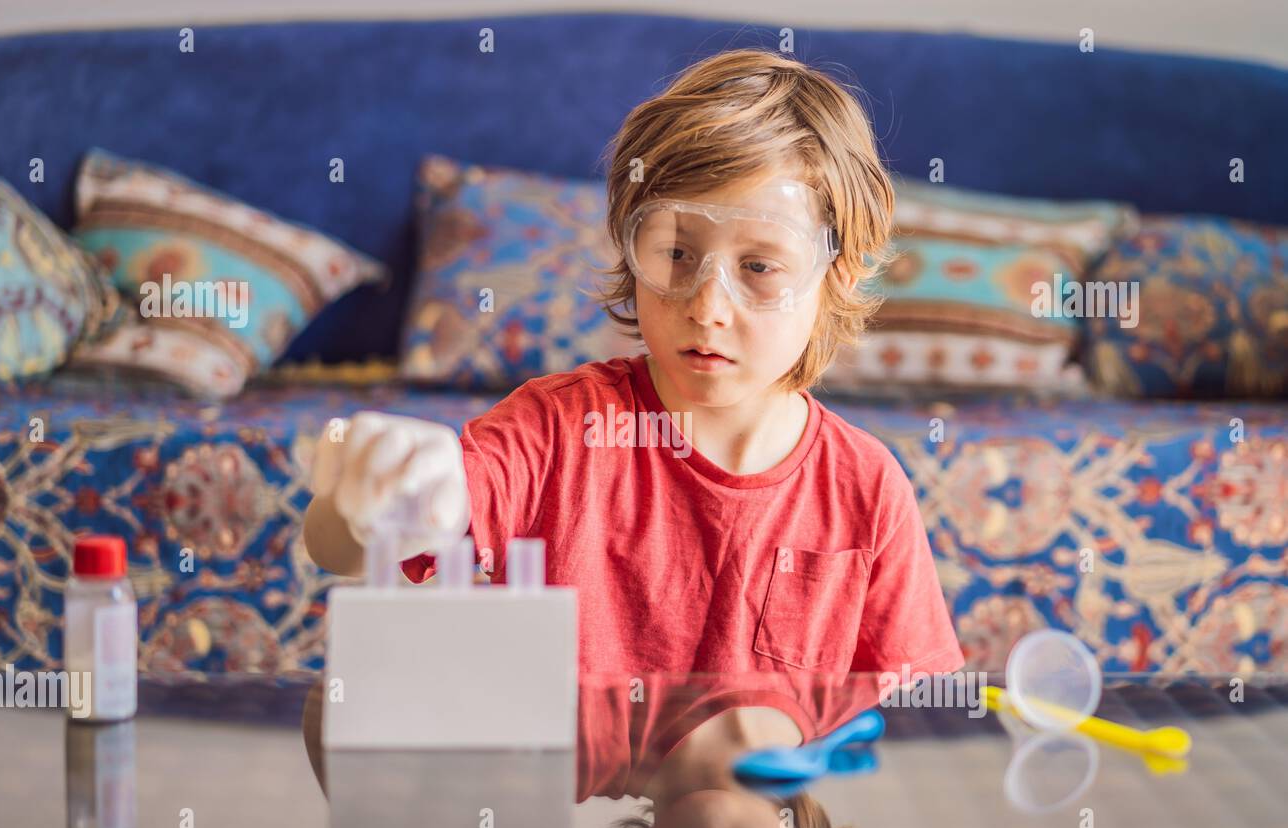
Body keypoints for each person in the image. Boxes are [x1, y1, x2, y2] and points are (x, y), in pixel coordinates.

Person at [302, 47, 965, 678]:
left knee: (719, 805)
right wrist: (369, 505)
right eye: (676, 253)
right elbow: (339, 548)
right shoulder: (553, 429)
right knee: (331, 710)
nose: (707, 307)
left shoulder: (867, 488)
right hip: (563, 783)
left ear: (838, 275)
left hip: (753, 791)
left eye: (759, 266)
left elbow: (906, 713)